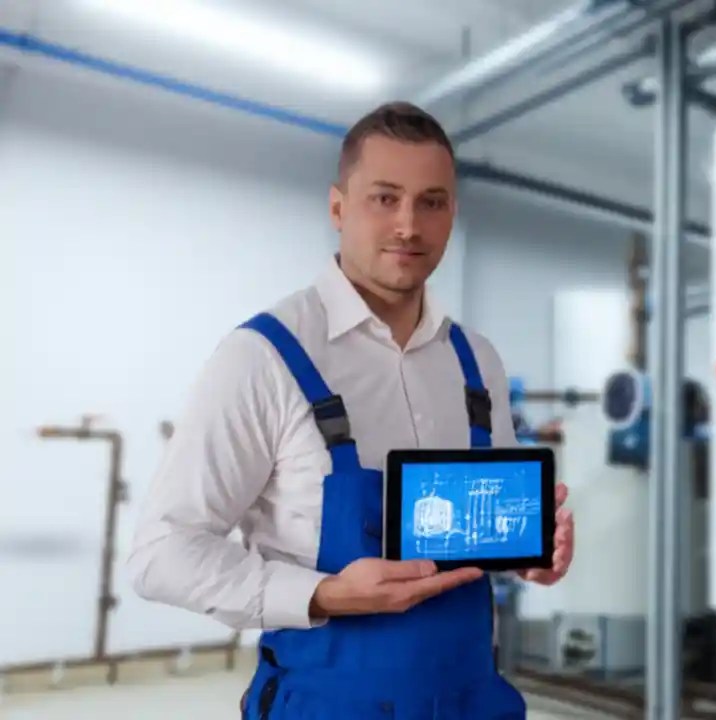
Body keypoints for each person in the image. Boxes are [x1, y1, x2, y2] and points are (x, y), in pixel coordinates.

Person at [127, 101, 575, 719]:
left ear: (452, 213)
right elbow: (162, 553)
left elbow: (484, 535)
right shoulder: (264, 357)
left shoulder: (479, 362)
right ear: (338, 207)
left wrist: (529, 552)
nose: (409, 226)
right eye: (384, 198)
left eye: (431, 201)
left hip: (475, 701)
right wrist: (325, 594)